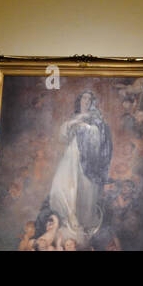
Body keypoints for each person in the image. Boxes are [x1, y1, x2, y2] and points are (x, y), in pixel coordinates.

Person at [47, 90, 112, 247]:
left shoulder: (95, 118)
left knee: (82, 190)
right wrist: (73, 124)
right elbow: (63, 135)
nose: (86, 101)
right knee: (60, 186)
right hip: (72, 155)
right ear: (80, 100)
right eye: (84, 98)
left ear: (92, 102)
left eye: (90, 99)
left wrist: (85, 127)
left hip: (87, 159)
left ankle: (76, 223)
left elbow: (99, 137)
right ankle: (68, 219)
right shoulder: (74, 117)